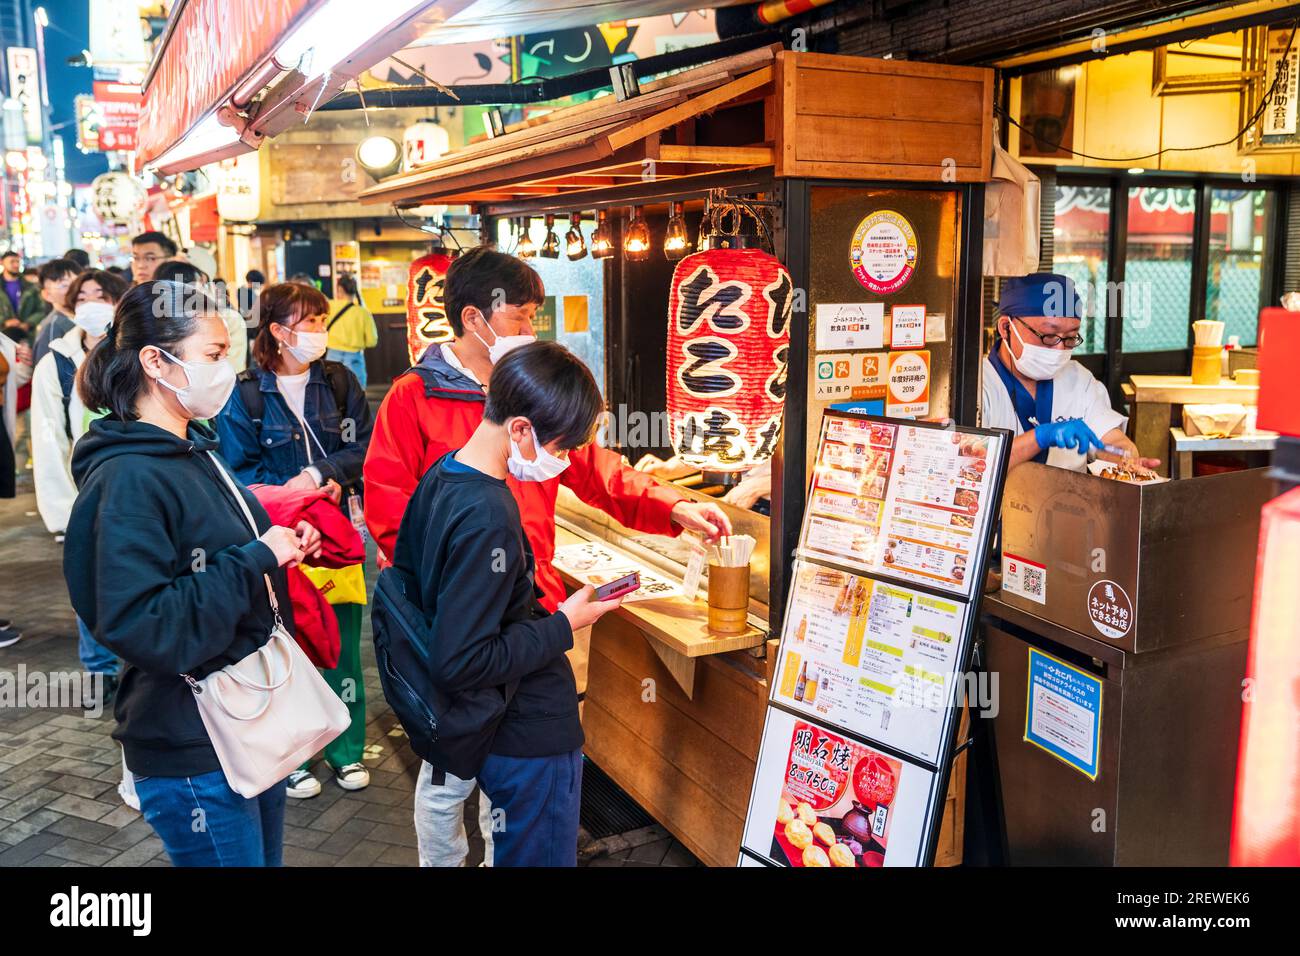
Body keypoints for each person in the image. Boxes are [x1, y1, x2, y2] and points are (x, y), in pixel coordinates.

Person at [363, 246, 730, 866]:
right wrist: (459, 587)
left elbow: (596, 467)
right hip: (462, 617)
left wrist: (670, 506)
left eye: (536, 316)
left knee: (507, 772)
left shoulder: (527, 388)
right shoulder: (413, 396)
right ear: (475, 317)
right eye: (522, 316)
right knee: (448, 772)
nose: (530, 329)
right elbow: (392, 509)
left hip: (525, 617)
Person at [64, 279, 322, 867]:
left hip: (246, 720)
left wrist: (275, 541)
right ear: (156, 361)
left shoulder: (193, 449)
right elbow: (146, 624)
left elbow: (215, 550)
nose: (226, 371)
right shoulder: (127, 478)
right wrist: (256, 558)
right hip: (193, 746)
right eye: (213, 356)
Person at [394, 340, 624, 866]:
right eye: (561, 449)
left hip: (502, 724)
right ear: (519, 428)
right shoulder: (488, 514)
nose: (561, 463)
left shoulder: (447, 472)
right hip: (526, 735)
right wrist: (565, 624)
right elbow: (463, 660)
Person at [215, 281, 374, 799]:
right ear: (278, 331)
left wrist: (321, 474)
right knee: (287, 643)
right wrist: (293, 502)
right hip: (279, 540)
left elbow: (366, 447)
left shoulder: (341, 381)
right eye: (309, 322)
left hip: (337, 538)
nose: (319, 332)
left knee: (343, 644)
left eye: (321, 319)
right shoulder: (244, 394)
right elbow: (240, 471)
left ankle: (346, 751)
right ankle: (296, 759)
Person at [32, 269, 129, 694]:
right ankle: (99, 667)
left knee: (136, 573)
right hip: (82, 491)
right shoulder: (56, 361)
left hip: (132, 486)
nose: (91, 303)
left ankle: (144, 660)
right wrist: (62, 511)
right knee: (88, 577)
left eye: (101, 294)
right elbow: (48, 438)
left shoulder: (134, 351)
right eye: (83, 296)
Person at [982, 274, 1160, 473]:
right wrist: (1040, 437)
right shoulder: (979, 386)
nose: (1059, 349)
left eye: (1070, 337)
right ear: (1006, 328)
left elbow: (1110, 439)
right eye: (1049, 336)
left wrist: (1125, 456)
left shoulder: (1079, 380)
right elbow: (973, 465)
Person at [152, 260, 248, 373]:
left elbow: (232, 370)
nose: (209, 290)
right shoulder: (154, 322)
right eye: (203, 285)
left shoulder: (228, 320)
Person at [323, 274, 377, 389]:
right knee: (356, 394)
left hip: (332, 356)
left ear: (340, 289)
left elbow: (321, 329)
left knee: (332, 393)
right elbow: (372, 341)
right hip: (354, 358)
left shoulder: (328, 307)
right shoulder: (363, 312)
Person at [31, 259, 84, 368]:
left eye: (76, 283)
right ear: (47, 295)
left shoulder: (82, 319)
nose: (74, 289)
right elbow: (47, 374)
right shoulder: (52, 327)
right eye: (64, 285)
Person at [0, 250, 39, 335]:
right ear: (2, 262)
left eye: (18, 261)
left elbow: (41, 309)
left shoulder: (31, 286)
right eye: (12, 262)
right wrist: (4, 322)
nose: (16, 265)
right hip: (3, 335)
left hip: (27, 335)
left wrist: (29, 323)